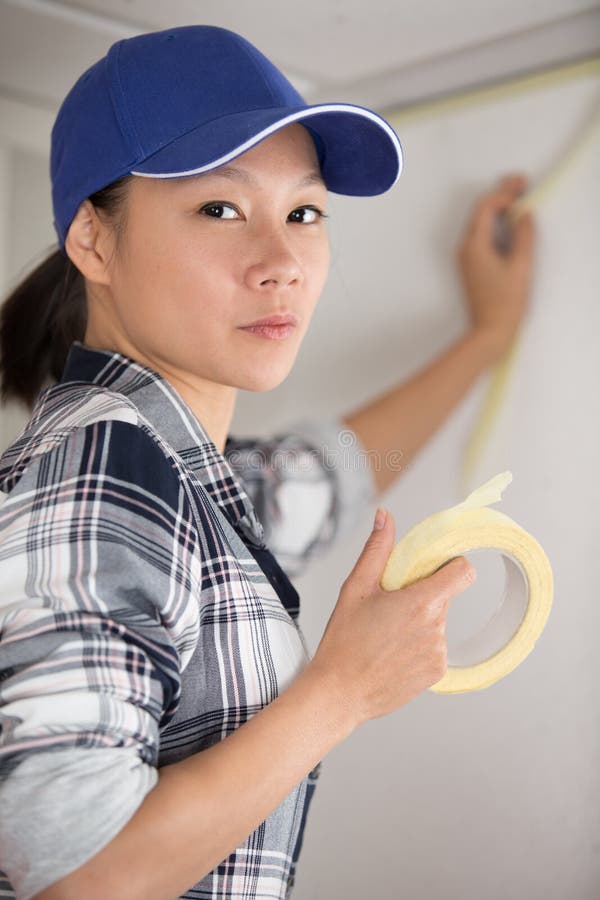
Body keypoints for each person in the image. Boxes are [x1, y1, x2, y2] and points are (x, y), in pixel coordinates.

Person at [0, 24, 535, 900]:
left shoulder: (184, 479)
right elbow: (78, 880)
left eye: (305, 212)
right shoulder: (106, 472)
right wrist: (342, 693)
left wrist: (488, 337)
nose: (283, 262)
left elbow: (340, 471)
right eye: (220, 208)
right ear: (93, 241)